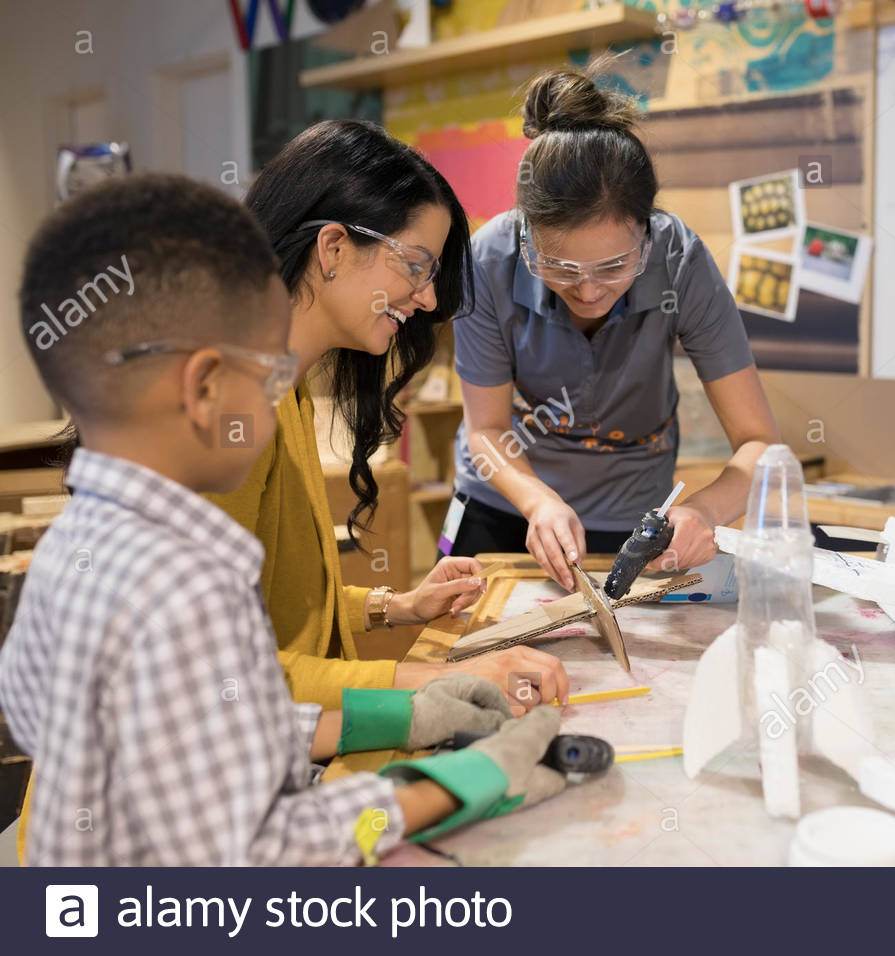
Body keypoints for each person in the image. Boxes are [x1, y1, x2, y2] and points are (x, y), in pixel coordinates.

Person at [0, 174, 565, 865]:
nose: (281, 392)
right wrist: (448, 789)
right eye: (266, 371)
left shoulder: (76, 550)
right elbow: (265, 847)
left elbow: (209, 721)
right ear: (205, 387)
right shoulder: (187, 583)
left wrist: (398, 713)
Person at [211, 120, 568, 710]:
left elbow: (282, 604)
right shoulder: (231, 408)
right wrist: (449, 679)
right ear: (333, 249)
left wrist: (397, 606)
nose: (428, 298)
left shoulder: (284, 384)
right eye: (415, 265)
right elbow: (216, 681)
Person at [448, 65, 781, 590]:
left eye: (613, 267)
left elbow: (760, 443)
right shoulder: (488, 260)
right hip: (506, 501)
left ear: (647, 236)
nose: (587, 291)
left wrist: (704, 510)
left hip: (633, 516)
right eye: (557, 267)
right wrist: (537, 500)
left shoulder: (680, 258)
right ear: (527, 235)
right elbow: (486, 431)